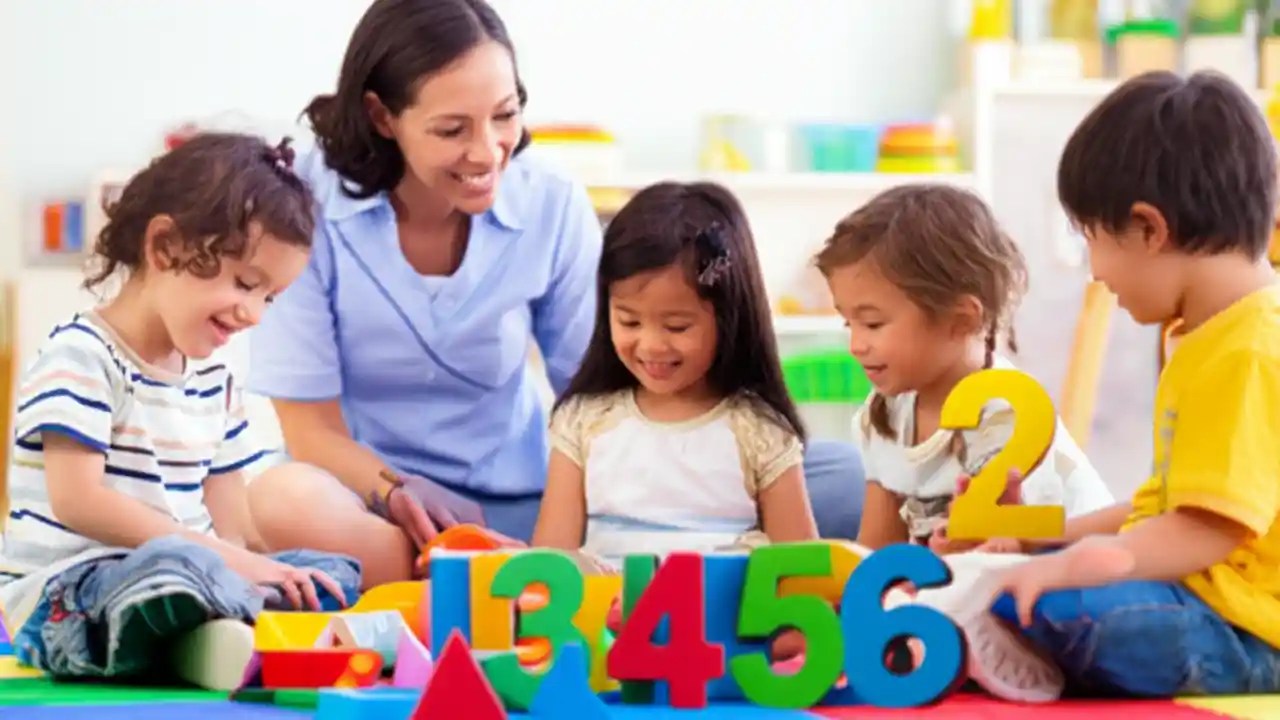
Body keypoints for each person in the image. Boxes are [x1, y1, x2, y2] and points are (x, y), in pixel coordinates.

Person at [245, 0, 867, 589]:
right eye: (452, 129)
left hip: (535, 504)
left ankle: (498, 578)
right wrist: (398, 488)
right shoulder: (306, 205)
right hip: (378, 505)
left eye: (505, 115)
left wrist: (676, 474)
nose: (488, 151)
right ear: (383, 117)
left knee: (839, 475)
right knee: (281, 497)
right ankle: (473, 577)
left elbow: (601, 380)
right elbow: (312, 432)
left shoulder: (550, 201)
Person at [0, 133, 361, 691]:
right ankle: (208, 633)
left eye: (270, 297)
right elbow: (77, 501)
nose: (255, 314)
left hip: (186, 574)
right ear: (165, 246)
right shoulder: (83, 355)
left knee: (332, 575)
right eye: (245, 284)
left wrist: (279, 573)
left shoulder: (214, 384)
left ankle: (210, 631)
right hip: (67, 597)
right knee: (178, 570)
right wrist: (223, 564)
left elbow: (236, 531)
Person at [986, 70, 1280, 698]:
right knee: (1017, 577)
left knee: (1064, 604)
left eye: (1091, 237)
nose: (1095, 269)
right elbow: (1164, 512)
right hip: (1200, 601)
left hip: (1248, 633)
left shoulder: (1251, 349)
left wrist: (1073, 566)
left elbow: (1205, 531)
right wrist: (1044, 535)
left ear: (1150, 229)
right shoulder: (1204, 335)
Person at [812, 183, 1114, 702]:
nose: (856, 344)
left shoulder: (1005, 413)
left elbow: (1014, 545)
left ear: (962, 319)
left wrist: (956, 557)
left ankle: (1020, 662)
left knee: (983, 580)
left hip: (1058, 578)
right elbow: (875, 552)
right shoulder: (885, 413)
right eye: (848, 322)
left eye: (873, 323)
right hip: (953, 589)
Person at [531, 181, 819, 568]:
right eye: (629, 321)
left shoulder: (757, 430)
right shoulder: (585, 421)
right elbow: (551, 565)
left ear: (729, 318)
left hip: (722, 624)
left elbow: (802, 569)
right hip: (611, 623)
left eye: (677, 327)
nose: (650, 345)